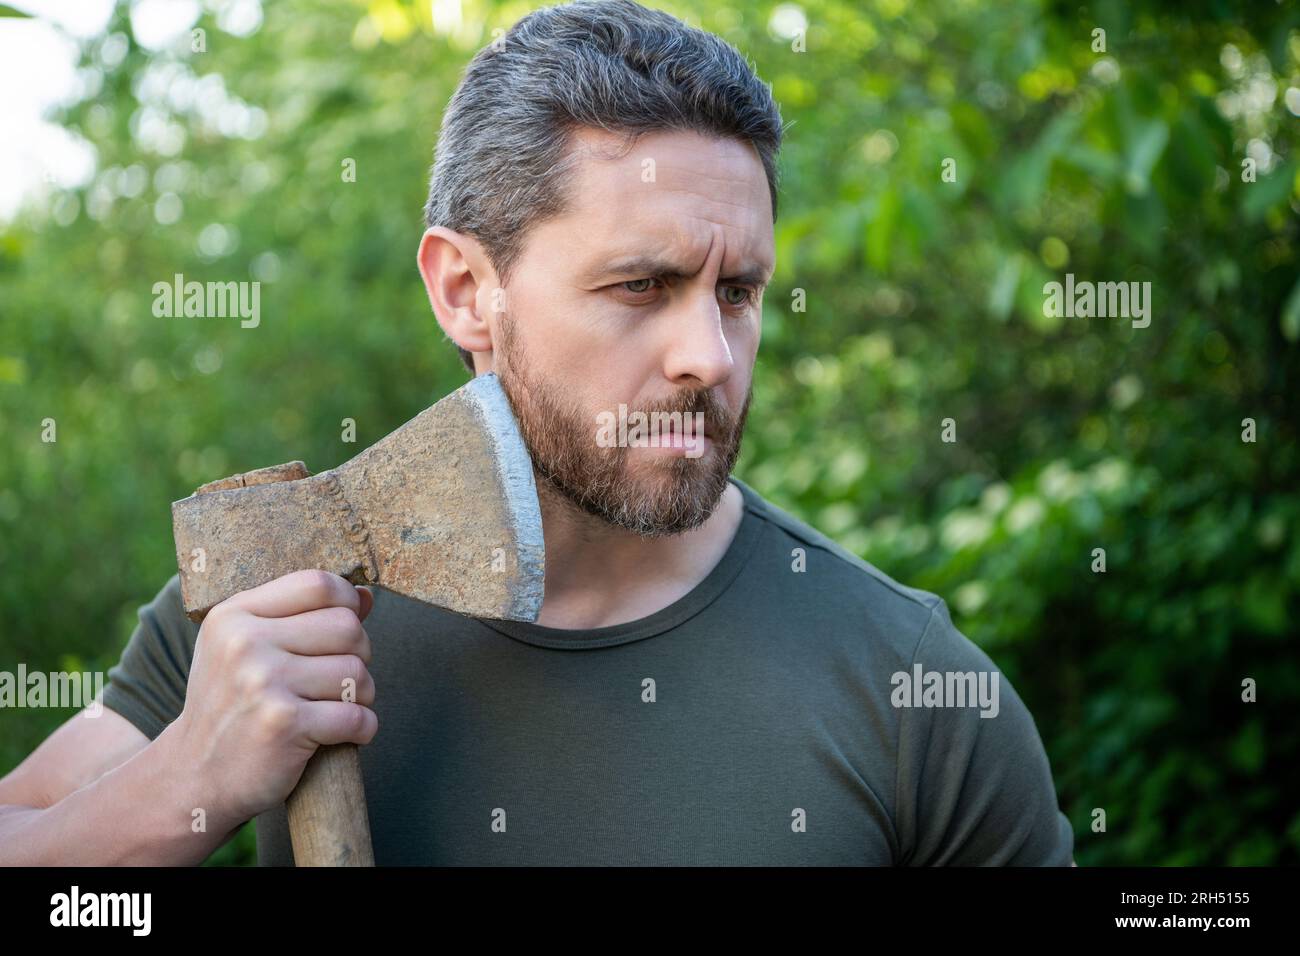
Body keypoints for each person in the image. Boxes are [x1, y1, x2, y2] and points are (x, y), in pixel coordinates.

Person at [0, 0, 1074, 865]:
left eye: (737, 291)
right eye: (641, 283)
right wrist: (185, 781)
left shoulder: (914, 689)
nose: (708, 351)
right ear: (467, 289)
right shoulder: (280, 598)